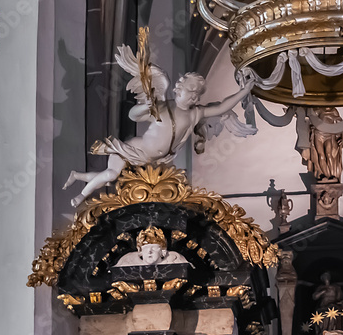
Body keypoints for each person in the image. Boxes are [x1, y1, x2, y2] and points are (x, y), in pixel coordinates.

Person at [64, 35, 255, 207]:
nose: (186, 92)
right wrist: (147, 106)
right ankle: (81, 196)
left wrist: (244, 91)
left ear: (196, 98)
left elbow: (221, 107)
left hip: (148, 160)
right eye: (184, 87)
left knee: (108, 178)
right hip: (132, 150)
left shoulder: (194, 114)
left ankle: (78, 175)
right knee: (110, 175)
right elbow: (133, 115)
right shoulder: (163, 106)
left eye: (192, 92)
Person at [115, 226, 188, 266]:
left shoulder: (175, 258)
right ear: (140, 252)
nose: (149, 251)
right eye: (145, 248)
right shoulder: (127, 260)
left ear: (163, 252)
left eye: (154, 248)